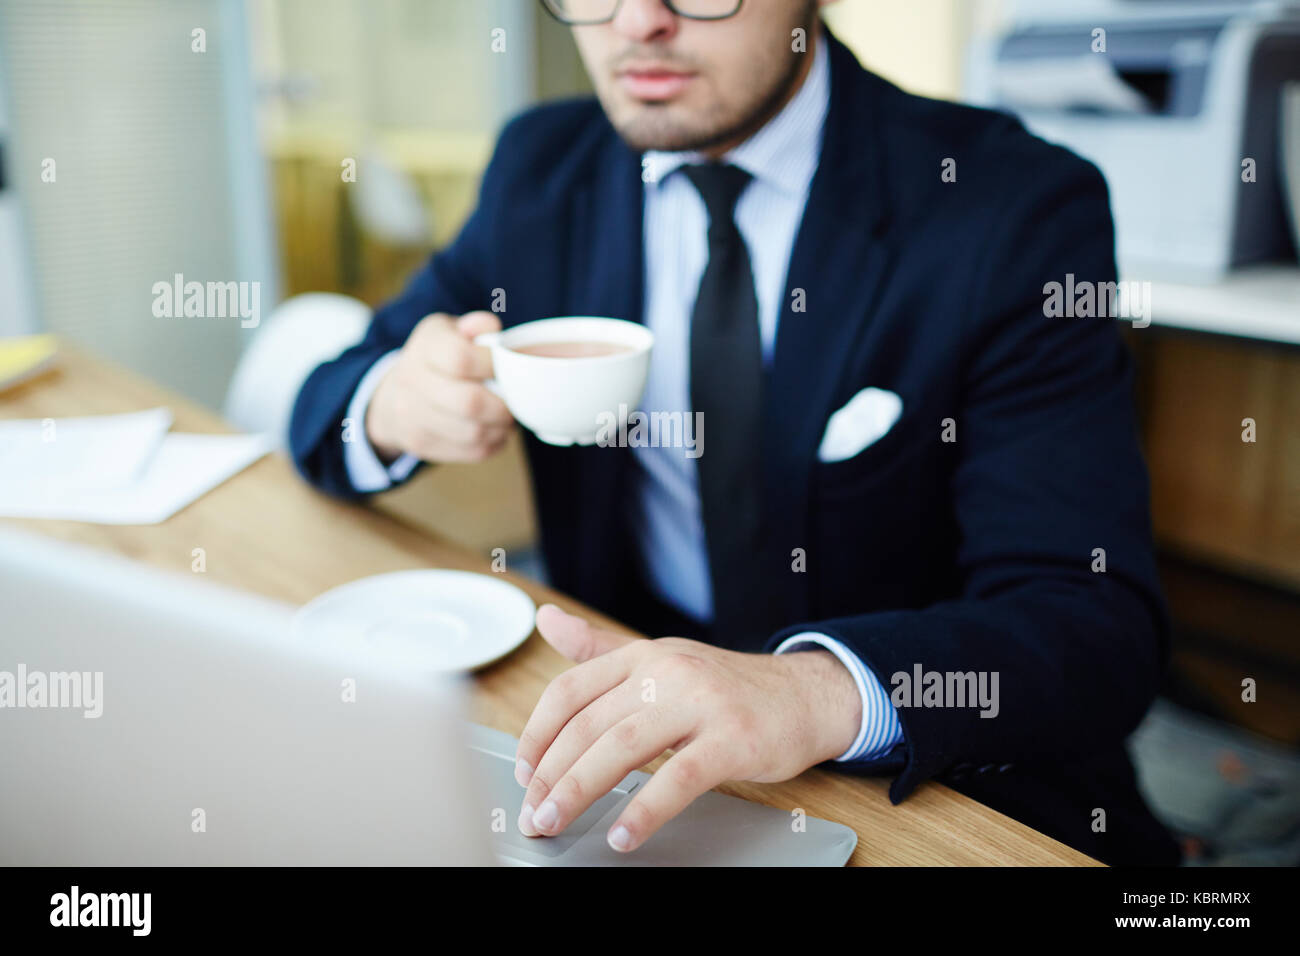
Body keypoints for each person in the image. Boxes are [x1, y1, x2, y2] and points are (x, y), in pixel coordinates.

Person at [290, 0, 1179, 865]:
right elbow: (325, 399)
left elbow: (1094, 623)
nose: (638, 21)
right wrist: (389, 402)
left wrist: (812, 691)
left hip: (935, 798)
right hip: (639, 763)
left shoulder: (1010, 205)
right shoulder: (543, 166)